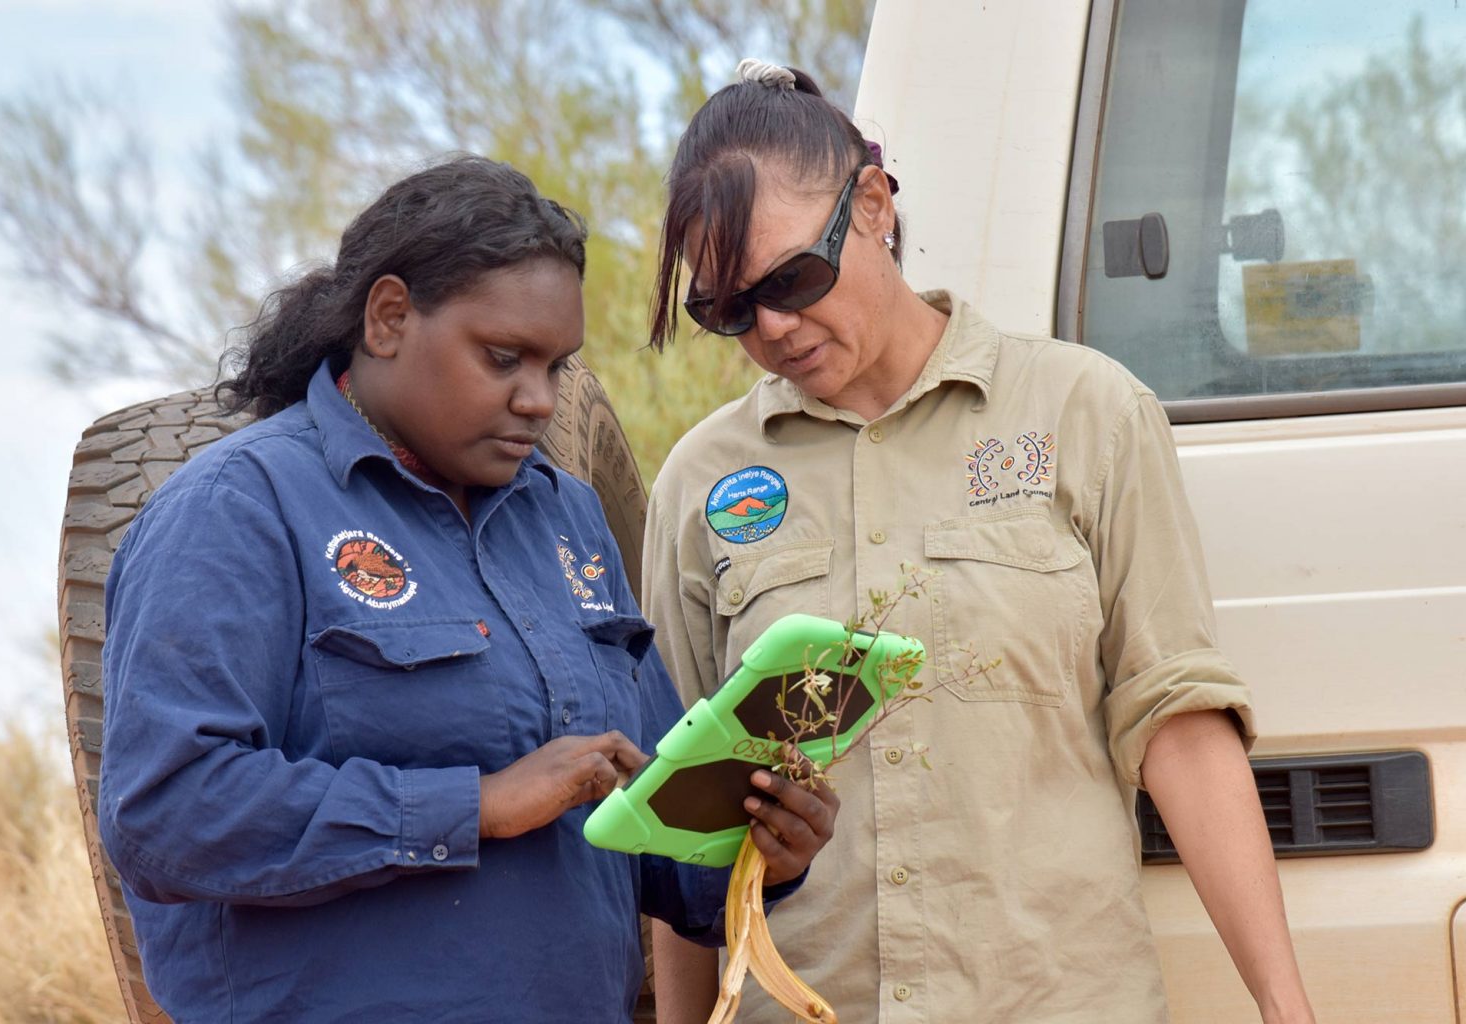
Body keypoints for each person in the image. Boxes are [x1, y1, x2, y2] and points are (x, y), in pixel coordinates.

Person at [640, 62, 1316, 1024]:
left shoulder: (1088, 413)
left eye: (793, 277)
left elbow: (1179, 727)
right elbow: (687, 828)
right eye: (732, 311)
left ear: (872, 202)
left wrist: (1286, 1008)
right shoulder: (699, 485)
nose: (776, 328)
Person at [97, 154, 838, 1023]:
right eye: (503, 358)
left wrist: (763, 850)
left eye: (557, 367)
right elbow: (167, 812)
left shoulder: (566, 518)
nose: (538, 400)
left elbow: (653, 847)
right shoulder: (240, 509)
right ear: (388, 318)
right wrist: (474, 806)